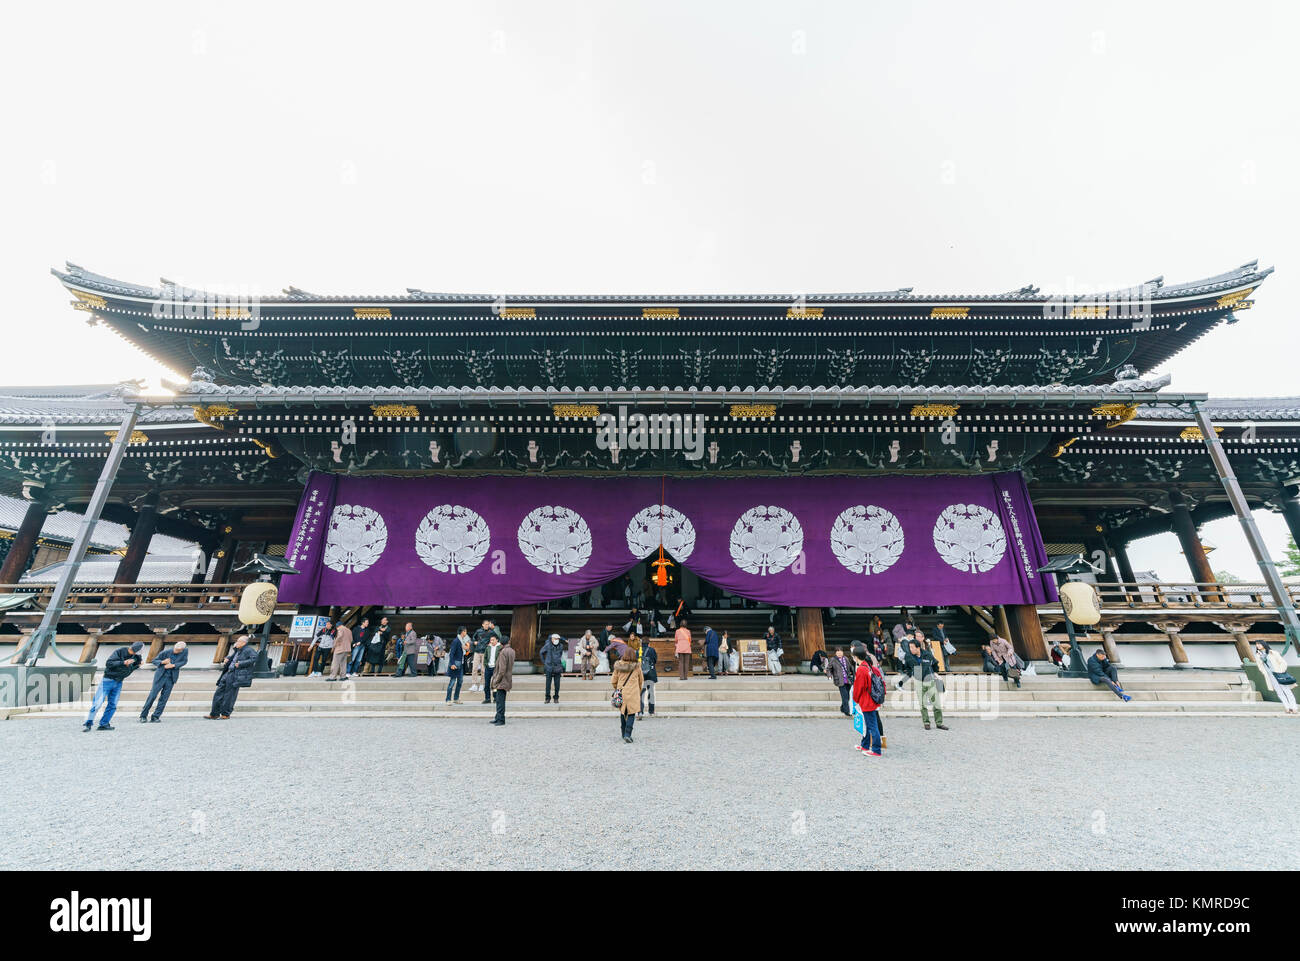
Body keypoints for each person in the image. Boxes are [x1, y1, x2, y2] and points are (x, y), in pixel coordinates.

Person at [83, 640, 144, 731]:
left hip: (119, 682)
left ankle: (104, 724)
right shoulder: (119, 651)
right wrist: (123, 662)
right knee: (98, 703)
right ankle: (89, 723)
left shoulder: (137, 656)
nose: (140, 654)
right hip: (107, 680)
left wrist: (138, 665)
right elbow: (109, 663)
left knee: (113, 704)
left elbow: (134, 666)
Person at [206, 634, 258, 720]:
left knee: (230, 695)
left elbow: (254, 658)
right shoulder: (237, 650)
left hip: (235, 674)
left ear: (243, 643)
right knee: (218, 693)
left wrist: (241, 664)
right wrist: (227, 658)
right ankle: (214, 713)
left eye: (238, 641)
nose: (236, 643)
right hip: (228, 673)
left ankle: (225, 714)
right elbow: (232, 658)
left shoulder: (249, 650)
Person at [139, 640, 188, 723]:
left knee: (164, 698)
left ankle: (156, 716)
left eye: (177, 651)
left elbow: (184, 661)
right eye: (175, 649)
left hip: (171, 677)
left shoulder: (185, 651)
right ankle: (143, 716)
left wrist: (174, 665)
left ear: (181, 650)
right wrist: (163, 662)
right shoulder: (166, 652)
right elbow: (154, 660)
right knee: (152, 696)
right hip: (161, 676)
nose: (175, 651)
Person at [904, 638, 948, 730]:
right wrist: (911, 673)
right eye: (909, 647)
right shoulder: (908, 656)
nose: (910, 649)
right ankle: (926, 722)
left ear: (918, 648)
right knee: (922, 704)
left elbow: (935, 663)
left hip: (930, 680)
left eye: (912, 647)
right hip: (918, 681)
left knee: (936, 703)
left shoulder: (927, 654)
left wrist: (935, 672)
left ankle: (939, 723)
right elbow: (907, 667)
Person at [850, 643, 884, 756]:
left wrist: (855, 699)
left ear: (856, 657)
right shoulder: (868, 666)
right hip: (871, 700)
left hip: (866, 701)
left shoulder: (861, 669)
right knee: (868, 724)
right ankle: (865, 745)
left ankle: (876, 750)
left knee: (871, 726)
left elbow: (858, 688)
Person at [1254, 640, 1298, 714]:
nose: (1257, 645)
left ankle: (1294, 707)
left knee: (1287, 690)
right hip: (1270, 675)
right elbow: (1260, 666)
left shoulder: (1273, 653)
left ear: (1264, 644)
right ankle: (1287, 707)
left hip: (1279, 674)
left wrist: (1280, 671)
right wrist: (1264, 672)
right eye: (1256, 644)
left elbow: (1283, 662)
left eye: (1259, 644)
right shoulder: (1258, 655)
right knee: (1279, 692)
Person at [612, 646, 644, 743]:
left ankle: (623, 733)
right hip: (633, 692)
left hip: (622, 692)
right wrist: (638, 690)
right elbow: (641, 681)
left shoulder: (618, 666)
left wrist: (617, 688)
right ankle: (628, 734)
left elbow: (613, 680)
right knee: (631, 713)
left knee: (623, 712)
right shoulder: (637, 666)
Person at [489, 634, 515, 725]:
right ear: (508, 642)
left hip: (502, 679)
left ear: (500, 643)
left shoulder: (503, 652)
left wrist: (496, 680)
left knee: (500, 701)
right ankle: (498, 717)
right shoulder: (512, 651)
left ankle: (500, 719)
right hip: (508, 678)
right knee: (500, 700)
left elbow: (502, 669)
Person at [471, 619, 501, 694]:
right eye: (486, 624)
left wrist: (490, 643)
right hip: (477, 651)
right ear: (482, 625)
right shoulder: (478, 631)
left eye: (488, 624)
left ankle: (482, 684)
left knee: (483, 669)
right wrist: (474, 642)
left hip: (485, 652)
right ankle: (474, 684)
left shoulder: (491, 632)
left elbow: (498, 638)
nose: (487, 625)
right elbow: (473, 638)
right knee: (474, 668)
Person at [828, 646, 854, 717]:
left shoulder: (846, 658)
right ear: (835, 653)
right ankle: (846, 711)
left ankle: (842, 708)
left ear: (843, 652)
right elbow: (829, 669)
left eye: (840, 651)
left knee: (848, 696)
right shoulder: (833, 660)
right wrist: (829, 675)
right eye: (837, 652)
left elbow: (850, 667)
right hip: (840, 680)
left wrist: (855, 673)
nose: (839, 653)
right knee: (844, 696)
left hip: (848, 680)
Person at [540, 633, 566, 704]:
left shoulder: (561, 646)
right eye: (555, 639)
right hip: (549, 667)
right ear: (551, 639)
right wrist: (544, 662)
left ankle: (556, 697)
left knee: (557, 684)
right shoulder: (548, 645)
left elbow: (560, 654)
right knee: (548, 684)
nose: (556, 640)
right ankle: (547, 698)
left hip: (557, 666)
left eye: (557, 639)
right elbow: (541, 652)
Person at [636, 633, 657, 717]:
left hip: (641, 674)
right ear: (648, 643)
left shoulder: (638, 651)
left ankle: (640, 711)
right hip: (650, 673)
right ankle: (651, 711)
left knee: (641, 693)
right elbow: (655, 660)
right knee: (651, 692)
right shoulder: (652, 650)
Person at [445, 627, 467, 704]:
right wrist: (452, 664)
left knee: (460, 681)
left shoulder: (462, 641)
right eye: (465, 631)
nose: (466, 633)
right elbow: (451, 654)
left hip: (460, 663)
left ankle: (456, 698)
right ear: (462, 632)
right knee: (452, 682)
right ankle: (448, 699)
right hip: (455, 664)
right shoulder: (456, 641)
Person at [482, 631, 505, 704]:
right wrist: (485, 664)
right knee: (486, 684)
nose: (491, 641)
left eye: (493, 640)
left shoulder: (500, 647)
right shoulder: (488, 647)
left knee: (495, 684)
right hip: (488, 667)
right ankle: (487, 698)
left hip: (496, 668)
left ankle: (495, 698)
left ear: (497, 640)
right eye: (491, 640)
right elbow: (485, 657)